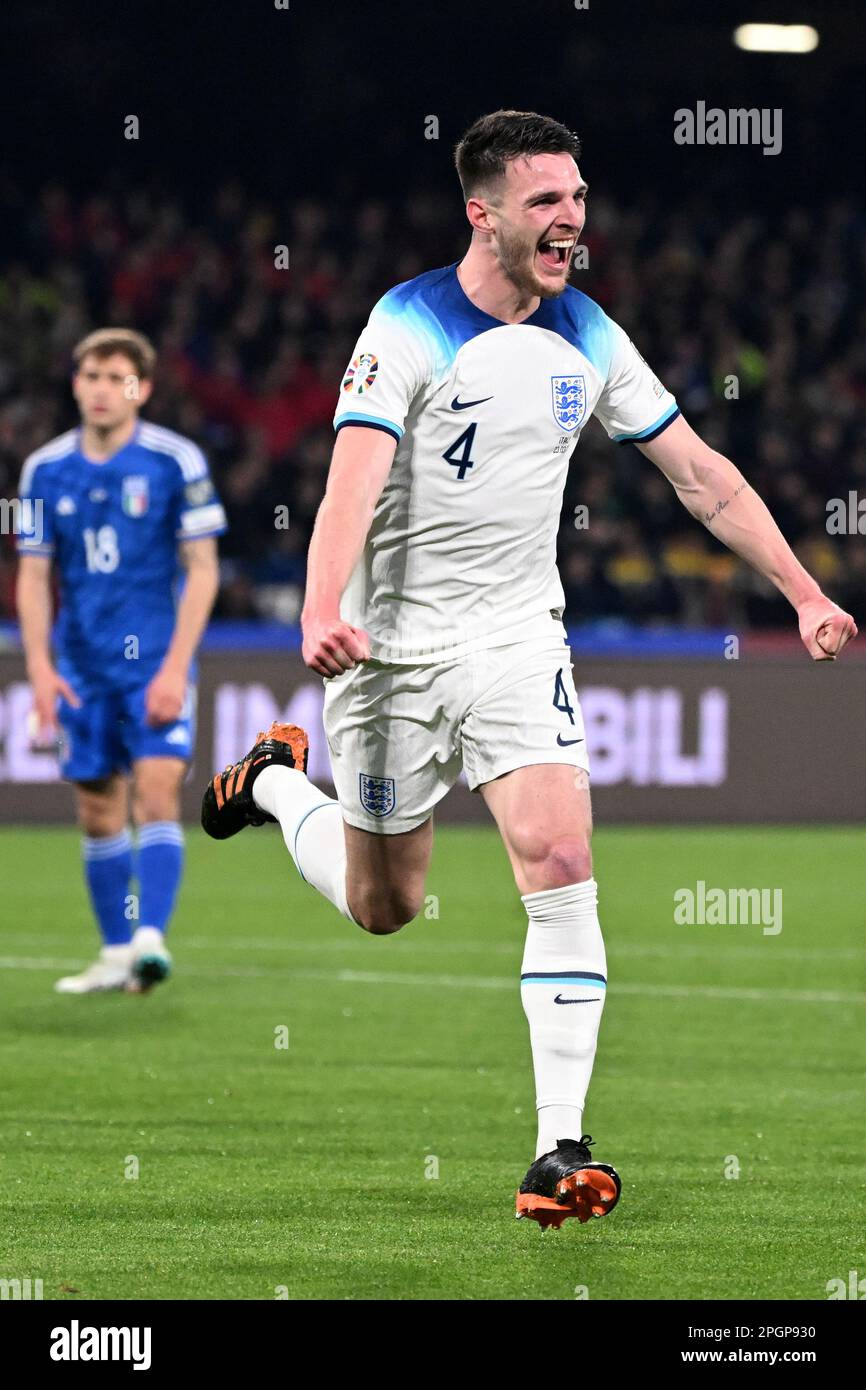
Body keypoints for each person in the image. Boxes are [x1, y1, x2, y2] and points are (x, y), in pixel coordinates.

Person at [201, 110, 856, 1228]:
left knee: (557, 855)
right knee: (383, 907)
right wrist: (319, 605)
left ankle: (559, 1148)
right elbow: (350, 481)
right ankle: (270, 779)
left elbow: (698, 475)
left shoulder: (587, 333)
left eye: (578, 199)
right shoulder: (407, 324)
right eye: (545, 201)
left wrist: (801, 591)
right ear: (483, 211)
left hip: (515, 640)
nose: (570, 222)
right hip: (390, 653)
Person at [17, 328, 226, 994]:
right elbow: (31, 576)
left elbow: (203, 570)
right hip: (81, 668)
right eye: (92, 376)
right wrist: (42, 672)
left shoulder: (176, 461)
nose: (104, 389)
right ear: (76, 384)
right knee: (98, 810)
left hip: (155, 664)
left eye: (118, 378)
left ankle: (149, 938)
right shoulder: (43, 470)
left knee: (158, 792)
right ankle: (114, 954)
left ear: (144, 389)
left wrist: (174, 668)